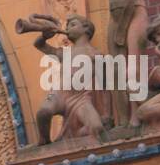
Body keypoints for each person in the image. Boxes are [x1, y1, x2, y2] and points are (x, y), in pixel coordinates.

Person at [41, 0, 159, 127]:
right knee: (117, 71)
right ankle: (122, 120)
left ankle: (137, 115)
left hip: (135, 14)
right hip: (117, 17)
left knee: (131, 69)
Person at [29, 13, 106, 143]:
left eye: (73, 25)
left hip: (81, 98)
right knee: (43, 113)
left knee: (97, 127)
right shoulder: (65, 53)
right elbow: (39, 45)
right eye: (67, 26)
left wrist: (106, 115)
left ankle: (75, 133)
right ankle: (44, 141)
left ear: (86, 29)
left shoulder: (96, 55)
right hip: (59, 93)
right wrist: (44, 36)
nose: (68, 29)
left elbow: (104, 88)